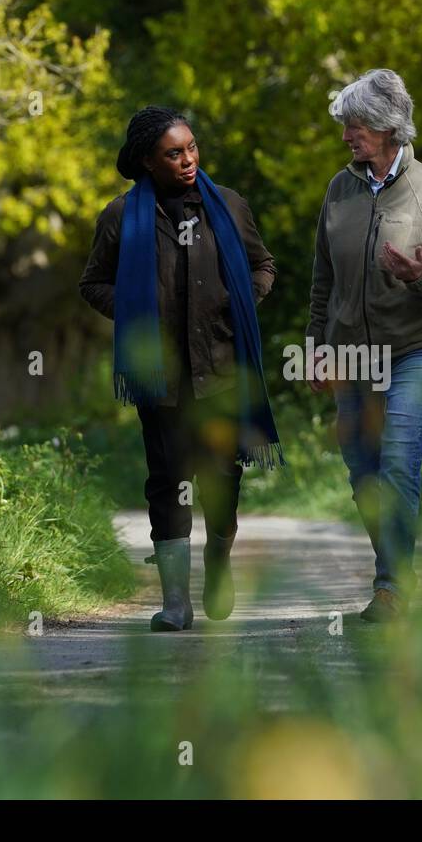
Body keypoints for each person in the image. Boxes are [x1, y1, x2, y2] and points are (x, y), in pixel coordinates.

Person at [79, 106, 282, 632]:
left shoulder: (229, 207)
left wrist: (244, 300)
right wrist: (134, 312)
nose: (188, 159)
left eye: (191, 148)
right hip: (161, 377)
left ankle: (217, 564)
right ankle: (175, 602)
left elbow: (263, 265)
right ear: (148, 161)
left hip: (221, 368)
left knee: (221, 475)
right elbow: (93, 282)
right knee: (167, 482)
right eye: (174, 153)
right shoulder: (122, 217)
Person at [306, 68, 422, 623]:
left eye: (356, 125)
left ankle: (391, 586)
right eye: (346, 125)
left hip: (412, 348)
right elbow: (322, 278)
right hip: (350, 353)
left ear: (388, 126)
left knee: (399, 465)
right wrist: (315, 347)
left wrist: (417, 275)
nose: (348, 135)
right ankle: (397, 572)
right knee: (364, 472)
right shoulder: (339, 188)